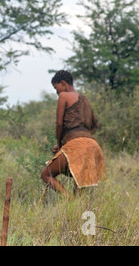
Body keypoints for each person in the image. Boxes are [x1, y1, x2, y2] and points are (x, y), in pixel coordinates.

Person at [40, 70, 106, 198]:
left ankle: (68, 200)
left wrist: (59, 145)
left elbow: (59, 124)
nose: (56, 92)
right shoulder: (85, 99)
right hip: (92, 145)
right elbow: (94, 125)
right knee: (79, 184)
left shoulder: (64, 95)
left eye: (56, 87)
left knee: (46, 174)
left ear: (63, 83)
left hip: (77, 144)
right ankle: (75, 209)